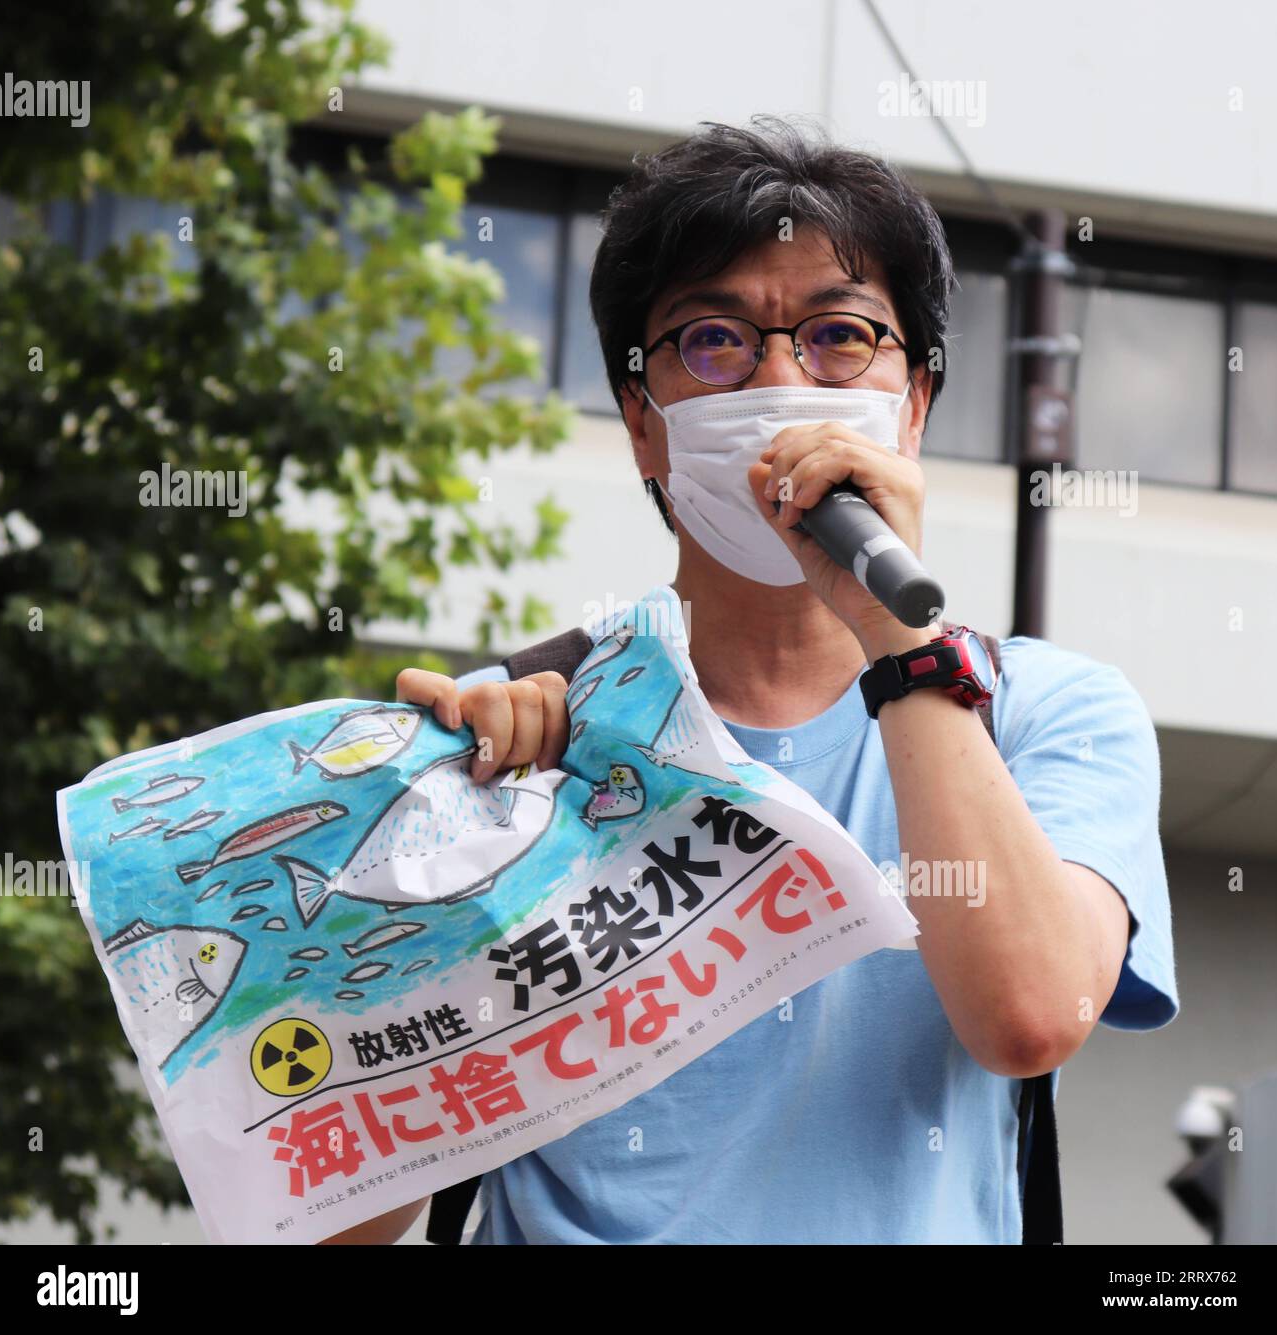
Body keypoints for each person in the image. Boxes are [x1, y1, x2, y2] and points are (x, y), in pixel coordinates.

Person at [322, 115, 1178, 1245]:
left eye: (837, 336)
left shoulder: (1045, 714)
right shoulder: (512, 731)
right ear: (643, 421)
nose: (780, 379)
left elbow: (1030, 1019)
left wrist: (895, 633)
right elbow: (338, 1222)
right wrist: (438, 856)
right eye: (714, 341)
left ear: (912, 403)